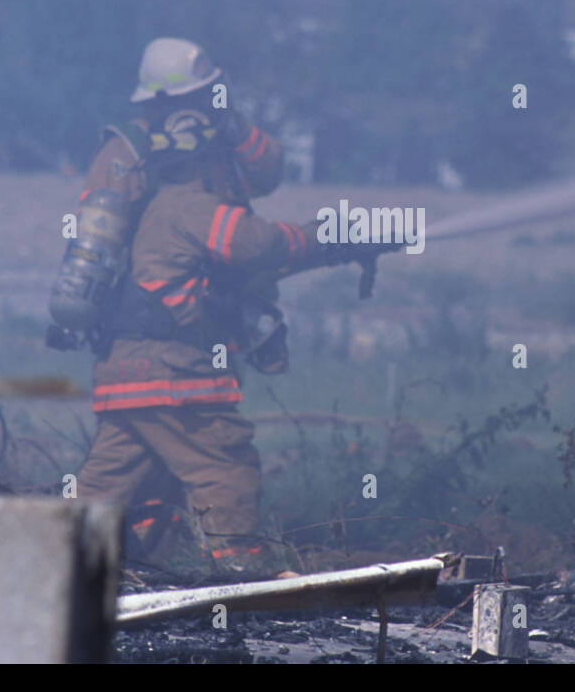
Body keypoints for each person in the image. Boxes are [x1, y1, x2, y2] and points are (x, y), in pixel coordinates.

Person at [68, 37, 379, 579]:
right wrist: (334, 236)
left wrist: (235, 126)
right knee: (224, 465)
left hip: (128, 370)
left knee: (116, 480)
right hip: (177, 370)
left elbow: (266, 177)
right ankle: (242, 580)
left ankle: (63, 572)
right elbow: (260, 246)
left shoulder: (173, 195)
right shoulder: (189, 204)